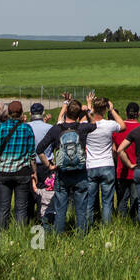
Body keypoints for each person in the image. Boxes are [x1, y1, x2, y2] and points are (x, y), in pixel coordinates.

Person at [35, 99, 97, 234]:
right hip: (80, 173)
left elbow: (39, 149)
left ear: (66, 112)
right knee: (81, 208)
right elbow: (94, 124)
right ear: (78, 114)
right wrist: (88, 111)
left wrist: (49, 166)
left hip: (62, 173)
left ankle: (59, 235)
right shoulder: (82, 128)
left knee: (60, 208)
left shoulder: (56, 129)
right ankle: (81, 236)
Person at [0, 100, 37, 226]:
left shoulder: (0, 128)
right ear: (21, 113)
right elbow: (32, 154)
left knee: (3, 207)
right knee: (21, 208)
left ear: (8, 113)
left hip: (3, 172)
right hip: (22, 171)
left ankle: (0, 234)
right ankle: (19, 233)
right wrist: (34, 172)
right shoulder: (27, 128)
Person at [81, 95, 124, 225]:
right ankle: (106, 226)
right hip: (107, 164)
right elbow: (122, 126)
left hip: (91, 165)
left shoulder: (86, 125)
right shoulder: (109, 125)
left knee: (89, 200)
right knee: (107, 201)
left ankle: (88, 225)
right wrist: (112, 110)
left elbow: (84, 120)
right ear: (105, 110)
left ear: (94, 109)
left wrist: (89, 107)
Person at [113, 102, 140, 220]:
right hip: (137, 168)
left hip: (121, 168)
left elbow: (114, 150)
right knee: (135, 198)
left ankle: (122, 221)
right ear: (138, 114)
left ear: (126, 113)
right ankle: (134, 220)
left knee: (122, 199)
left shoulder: (118, 129)